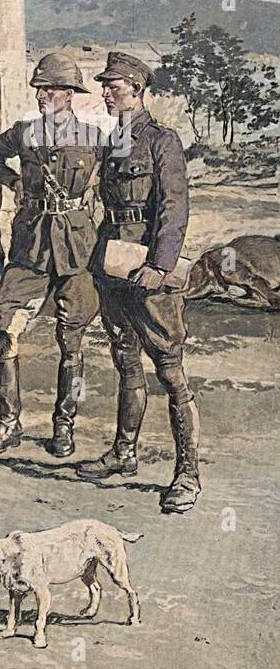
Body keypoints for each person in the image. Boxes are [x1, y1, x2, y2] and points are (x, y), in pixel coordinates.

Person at [78, 52, 200, 514]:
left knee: (169, 370)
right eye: (104, 85)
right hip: (112, 266)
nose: (105, 93)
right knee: (125, 360)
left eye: (113, 86)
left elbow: (174, 209)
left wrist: (160, 265)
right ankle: (123, 454)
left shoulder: (161, 141)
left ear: (136, 88)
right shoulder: (114, 143)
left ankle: (188, 473)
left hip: (148, 271)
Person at [0, 52, 105, 458]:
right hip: (31, 245)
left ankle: (64, 426)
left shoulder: (94, 139)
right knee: (5, 327)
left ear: (70, 95)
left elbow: (113, 184)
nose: (44, 96)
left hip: (76, 248)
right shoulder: (24, 133)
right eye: (40, 89)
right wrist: (14, 182)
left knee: (72, 339)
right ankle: (8, 422)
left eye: (52, 90)